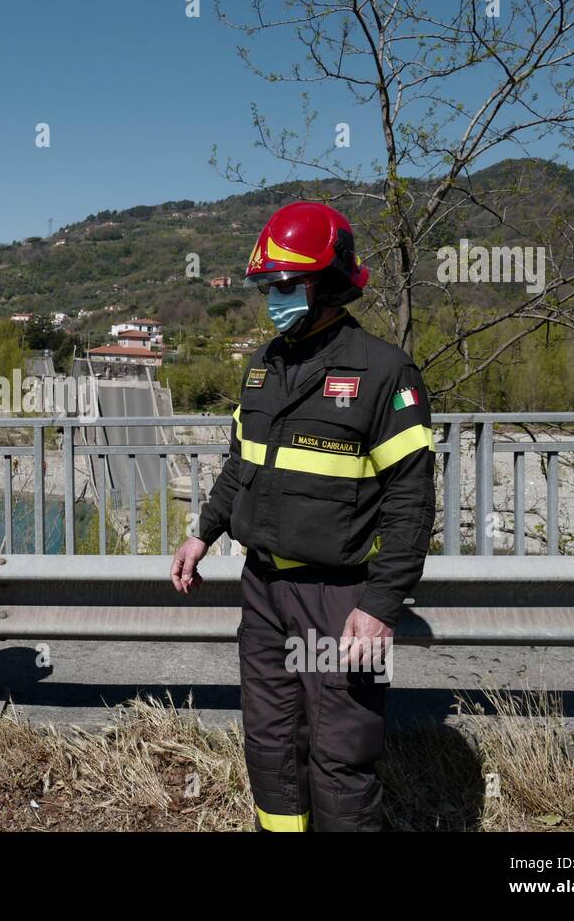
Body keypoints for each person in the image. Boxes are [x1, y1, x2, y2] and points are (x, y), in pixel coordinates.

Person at [170, 202, 436, 831]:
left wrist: (381, 607)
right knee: (270, 748)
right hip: (264, 590)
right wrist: (202, 533)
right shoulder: (265, 368)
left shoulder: (384, 371)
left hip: (340, 599)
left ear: (327, 284)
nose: (273, 299)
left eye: (285, 286)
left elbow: (411, 501)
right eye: (268, 288)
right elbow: (242, 464)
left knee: (342, 758)